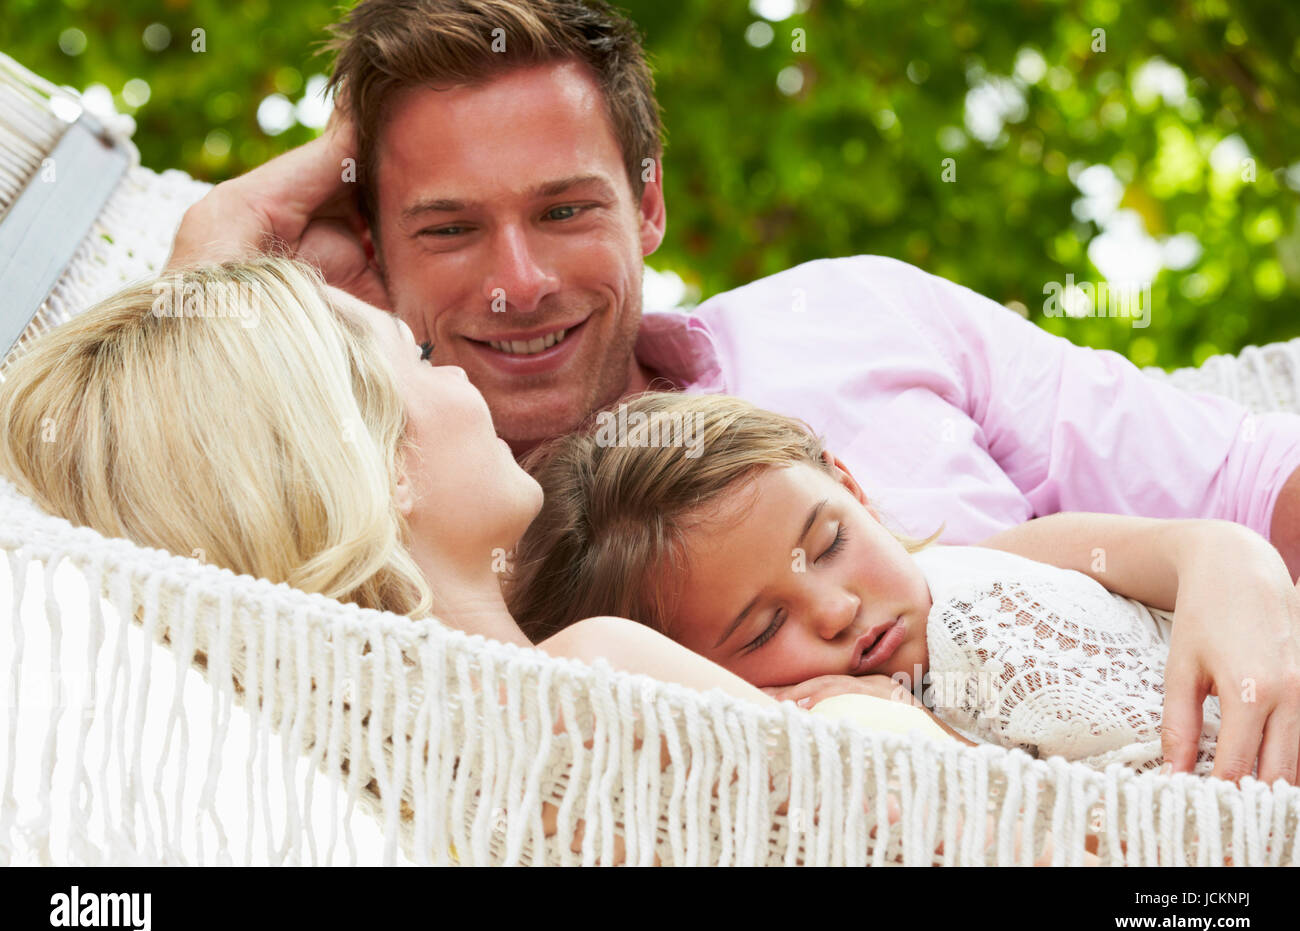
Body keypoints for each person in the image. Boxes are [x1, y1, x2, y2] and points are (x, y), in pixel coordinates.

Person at [163, 0, 1300, 781]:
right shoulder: (384, 545)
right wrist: (213, 264)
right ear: (373, 249)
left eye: (565, 209)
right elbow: (174, 593)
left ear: (649, 202)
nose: (520, 283)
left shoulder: (857, 314)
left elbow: (1251, 481)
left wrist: (1230, 559)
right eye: (450, 229)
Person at [0, 258, 1078, 863]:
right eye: (419, 359)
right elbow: (984, 834)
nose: (461, 379)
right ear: (378, 462)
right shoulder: (594, 673)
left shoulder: (392, 773)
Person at [505, 392, 1300, 777]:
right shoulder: (854, 747)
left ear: (849, 487)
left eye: (829, 543)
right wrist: (915, 737)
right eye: (762, 629)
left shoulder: (1018, 554)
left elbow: (1200, 549)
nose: (836, 609)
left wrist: (1233, 560)